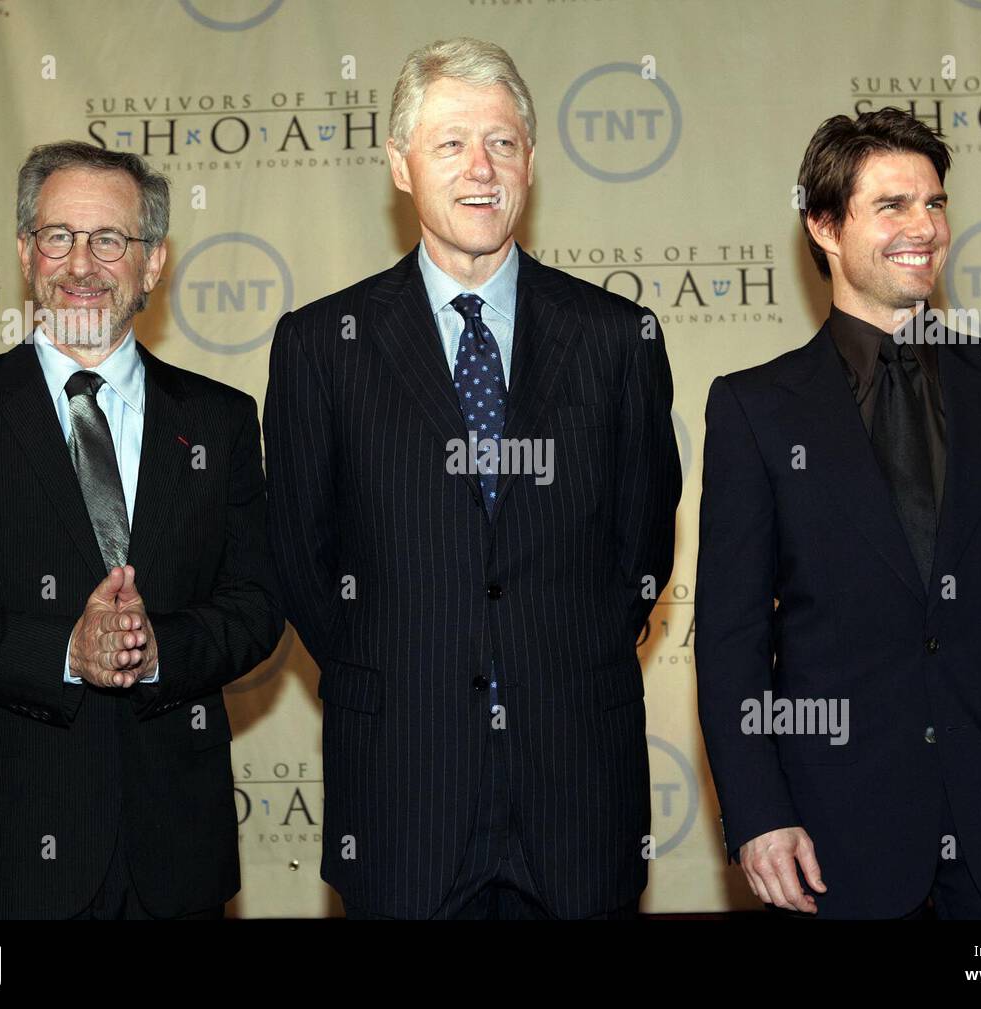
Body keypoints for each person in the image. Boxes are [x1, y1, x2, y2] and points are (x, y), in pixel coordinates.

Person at [264, 37, 681, 919]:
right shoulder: (321, 346)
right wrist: (394, 666)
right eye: (450, 143)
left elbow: (642, 537)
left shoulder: (617, 338)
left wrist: (561, 654)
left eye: (501, 142)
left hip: (577, 790)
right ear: (401, 167)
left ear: (530, 161)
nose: (480, 167)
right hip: (400, 791)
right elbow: (301, 556)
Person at [695, 107, 981, 920]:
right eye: (893, 206)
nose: (924, 227)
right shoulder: (756, 409)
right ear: (825, 225)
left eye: (934, 203)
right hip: (834, 831)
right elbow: (729, 639)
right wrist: (758, 813)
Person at [0, 141, 283, 919]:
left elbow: (256, 605)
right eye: (58, 236)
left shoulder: (222, 420)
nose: (81, 264)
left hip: (173, 858)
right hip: (3, 853)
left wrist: (160, 648)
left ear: (153, 262)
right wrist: (64, 650)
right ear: (27, 252)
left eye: (109, 240)